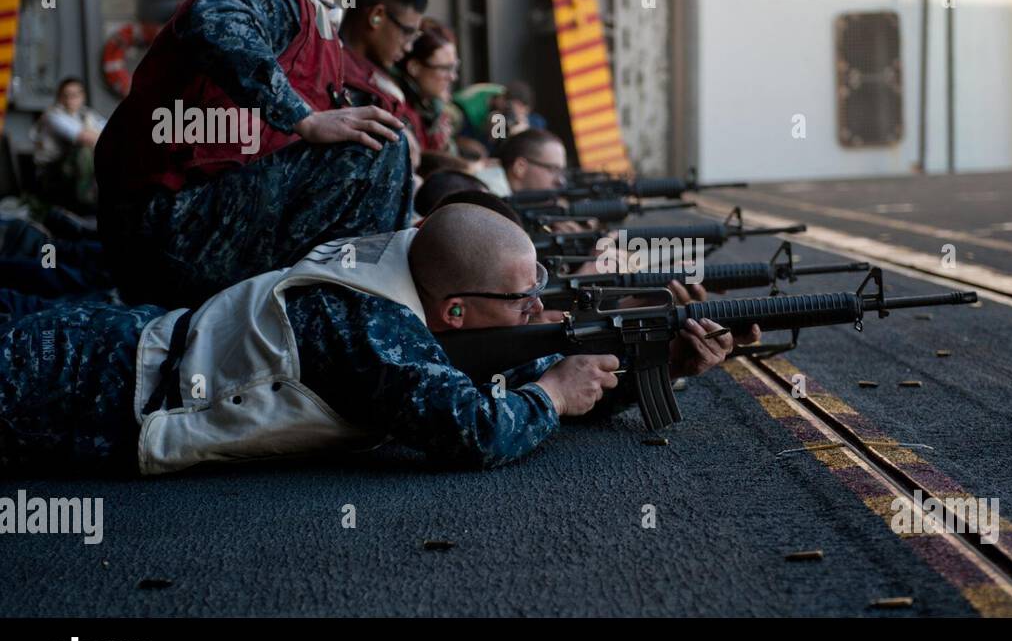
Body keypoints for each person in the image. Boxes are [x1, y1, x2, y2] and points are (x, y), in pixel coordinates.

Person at [0, 204, 740, 477]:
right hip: (84, 385)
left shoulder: (403, 260)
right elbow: (477, 431)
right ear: (453, 313)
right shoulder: (375, 331)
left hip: (121, 340)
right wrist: (552, 392)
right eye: (522, 297)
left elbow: (533, 369)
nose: (537, 308)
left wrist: (663, 367)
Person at [94, 0, 412, 310]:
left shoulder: (280, 68)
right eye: (329, 19)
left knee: (372, 137)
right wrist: (303, 118)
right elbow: (215, 17)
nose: (330, 35)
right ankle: (345, 317)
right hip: (170, 229)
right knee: (379, 146)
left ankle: (325, 311)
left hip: (152, 245)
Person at [338, 0, 427, 165]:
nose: (409, 47)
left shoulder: (379, 72)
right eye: (407, 32)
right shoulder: (337, 72)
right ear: (376, 16)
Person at [31, 78, 106, 214]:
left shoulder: (86, 114)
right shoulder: (52, 115)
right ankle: (85, 204)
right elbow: (83, 137)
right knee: (84, 150)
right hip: (52, 173)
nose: (70, 99)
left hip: (72, 172)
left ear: (82, 96)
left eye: (75, 95)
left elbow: (112, 129)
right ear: (59, 97)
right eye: (65, 95)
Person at [392, 19, 462, 154]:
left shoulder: (432, 108)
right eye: (444, 69)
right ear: (415, 67)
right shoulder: (396, 108)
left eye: (454, 67)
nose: (453, 77)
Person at [497, 129, 568, 193]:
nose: (561, 181)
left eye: (561, 172)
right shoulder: (489, 203)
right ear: (520, 167)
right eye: (553, 169)